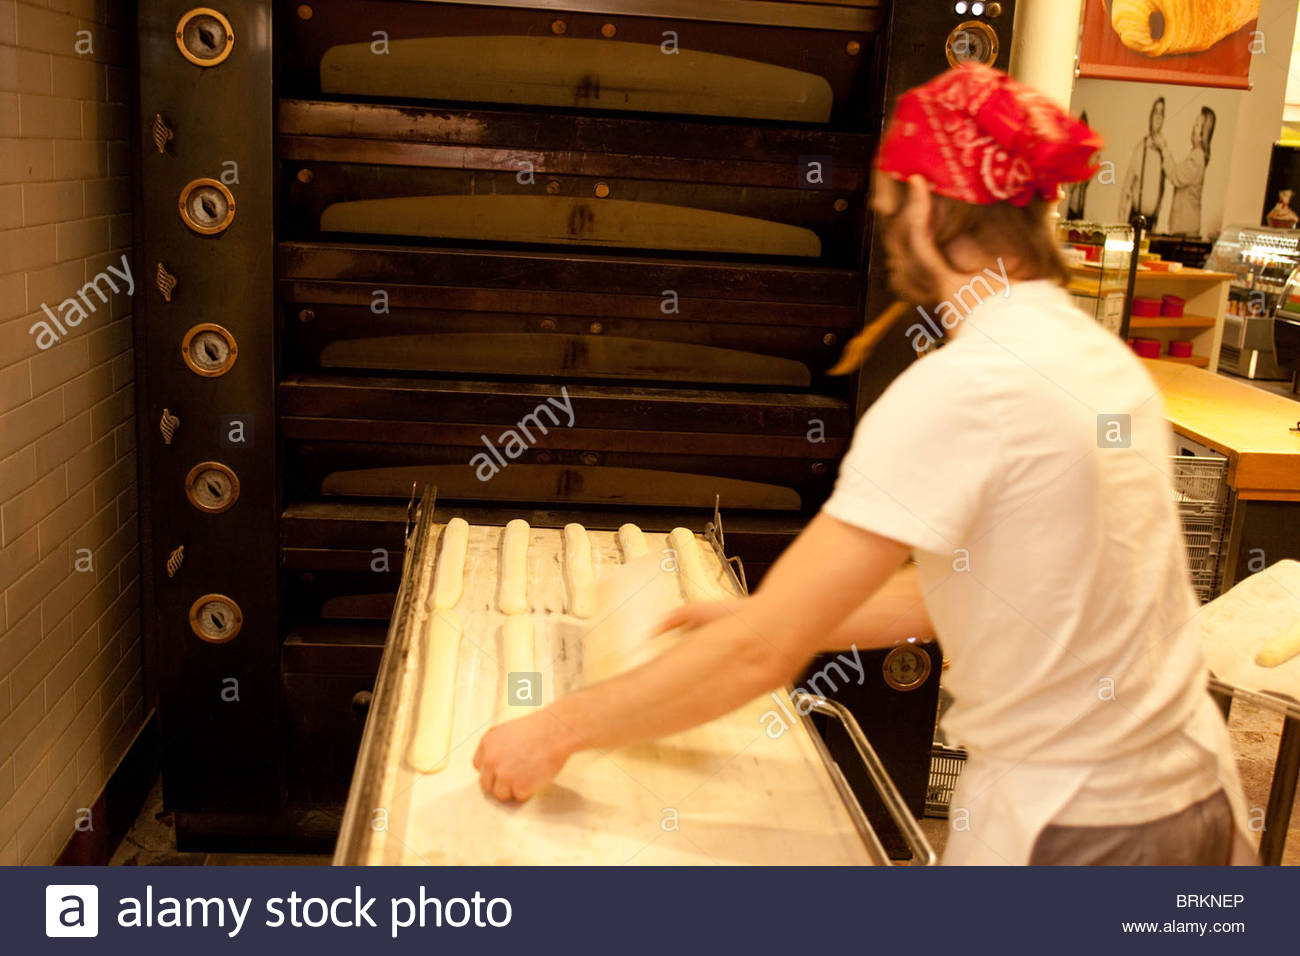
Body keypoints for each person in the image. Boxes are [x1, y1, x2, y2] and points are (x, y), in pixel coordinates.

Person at [473, 65, 1255, 866]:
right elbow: (989, 583)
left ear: (925, 203)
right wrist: (778, 614)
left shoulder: (965, 387)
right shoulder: (1100, 360)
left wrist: (555, 729)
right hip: (1199, 801)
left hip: (1083, 833)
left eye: (889, 207)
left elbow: (759, 660)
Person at [1159, 106, 1216, 237]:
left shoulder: (1197, 157)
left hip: (1185, 228)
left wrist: (1164, 149)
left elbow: (1175, 176)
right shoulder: (1197, 155)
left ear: (1203, 134)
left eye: (1197, 125)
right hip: (1184, 227)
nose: (1193, 128)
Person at [1118, 97, 1166, 227]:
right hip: (1136, 220)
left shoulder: (1164, 153)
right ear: (1151, 116)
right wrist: (1121, 222)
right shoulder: (1140, 149)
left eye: (1161, 113)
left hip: (1152, 223)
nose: (1158, 116)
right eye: (1156, 111)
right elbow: (1127, 187)